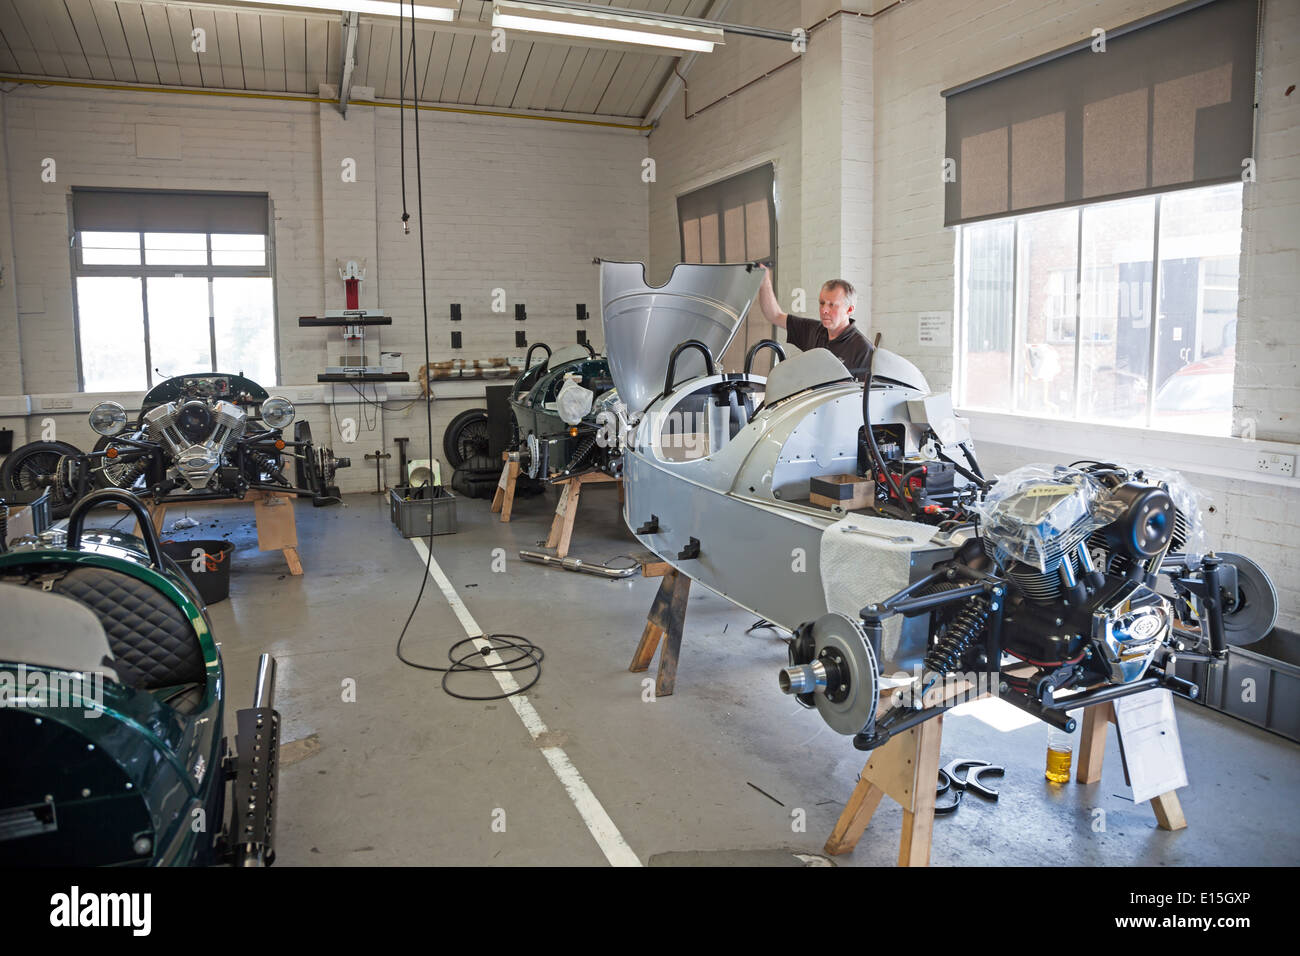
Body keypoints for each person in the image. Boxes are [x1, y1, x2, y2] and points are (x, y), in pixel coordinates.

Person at [755, 265, 872, 377]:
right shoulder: (813, 330)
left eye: (832, 305)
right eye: (822, 303)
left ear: (849, 309)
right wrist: (765, 280)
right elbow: (774, 315)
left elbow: (866, 395)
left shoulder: (863, 349)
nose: (824, 310)